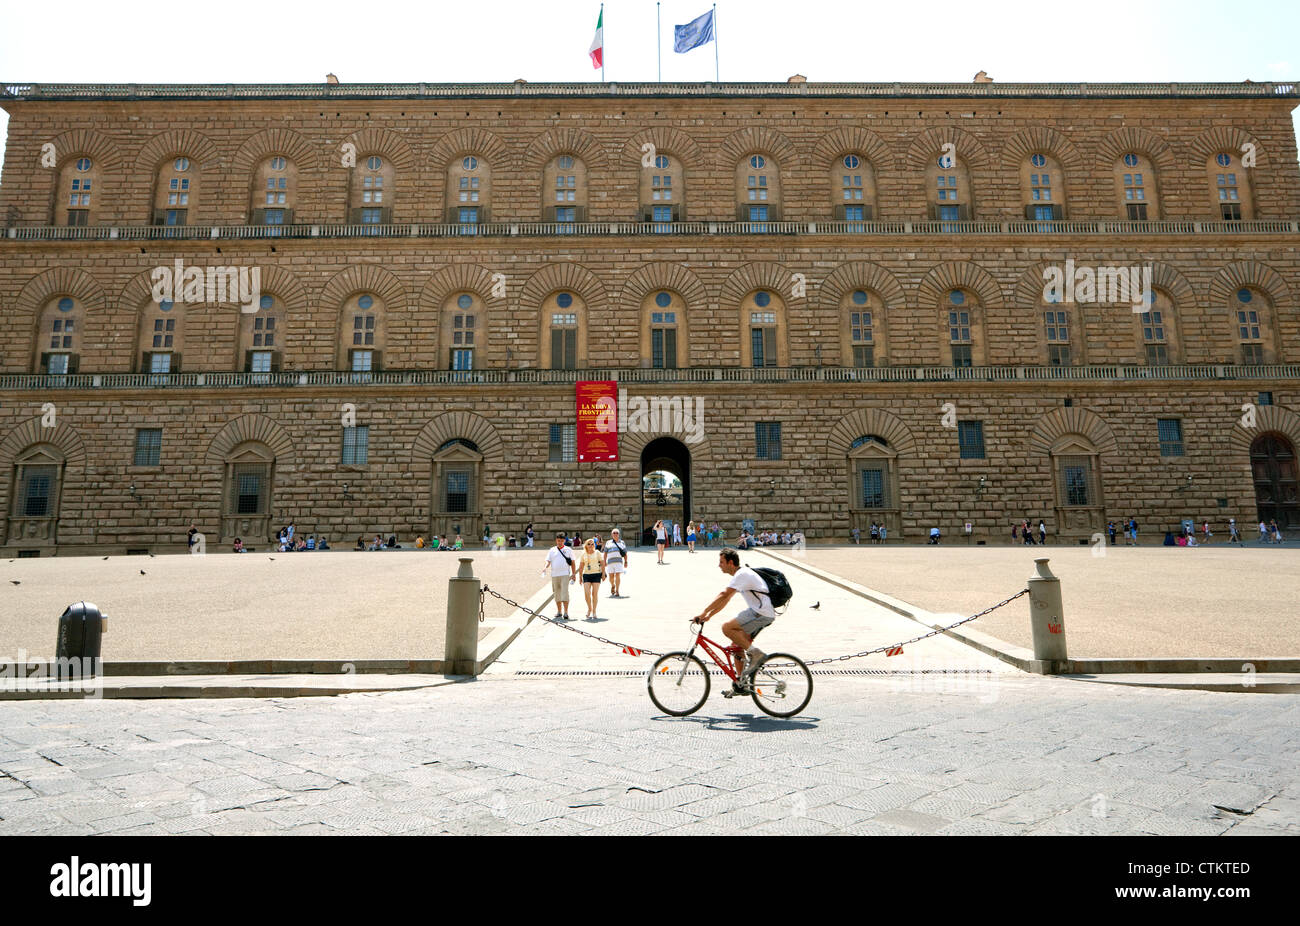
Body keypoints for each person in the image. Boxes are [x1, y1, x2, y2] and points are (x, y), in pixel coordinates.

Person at [693, 548, 777, 695]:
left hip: (760, 613)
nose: (719, 565)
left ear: (730, 563)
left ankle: (756, 654)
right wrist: (710, 615)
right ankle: (741, 684)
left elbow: (724, 594)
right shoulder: (741, 574)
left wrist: (704, 612)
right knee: (736, 646)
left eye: (721, 562)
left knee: (727, 628)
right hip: (760, 612)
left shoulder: (742, 574)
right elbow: (727, 598)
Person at [543, 532, 576, 620]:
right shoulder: (552, 550)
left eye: (561, 541)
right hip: (554, 575)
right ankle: (559, 611)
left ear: (564, 541)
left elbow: (573, 562)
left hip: (565, 574)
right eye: (558, 541)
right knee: (557, 593)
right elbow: (548, 560)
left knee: (564, 593)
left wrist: (573, 574)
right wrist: (545, 567)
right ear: (556, 540)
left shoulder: (568, 550)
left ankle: (566, 612)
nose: (559, 542)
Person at [578, 538, 606, 621]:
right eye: (589, 544)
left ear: (595, 545)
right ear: (586, 545)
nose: (591, 545)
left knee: (594, 594)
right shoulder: (583, 554)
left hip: (596, 574)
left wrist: (603, 574)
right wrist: (579, 577)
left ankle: (594, 611)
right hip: (586, 575)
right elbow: (581, 566)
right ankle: (589, 608)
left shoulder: (597, 553)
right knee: (586, 594)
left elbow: (603, 564)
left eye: (592, 544)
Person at [604, 528, 628, 598]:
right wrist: (604, 561)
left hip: (619, 562)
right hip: (610, 562)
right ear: (611, 534)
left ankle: (617, 590)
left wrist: (626, 562)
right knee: (611, 577)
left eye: (616, 533)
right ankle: (613, 585)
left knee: (618, 576)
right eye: (614, 533)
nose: (615, 534)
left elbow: (625, 553)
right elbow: (605, 553)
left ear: (619, 534)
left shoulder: (622, 542)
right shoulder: (608, 542)